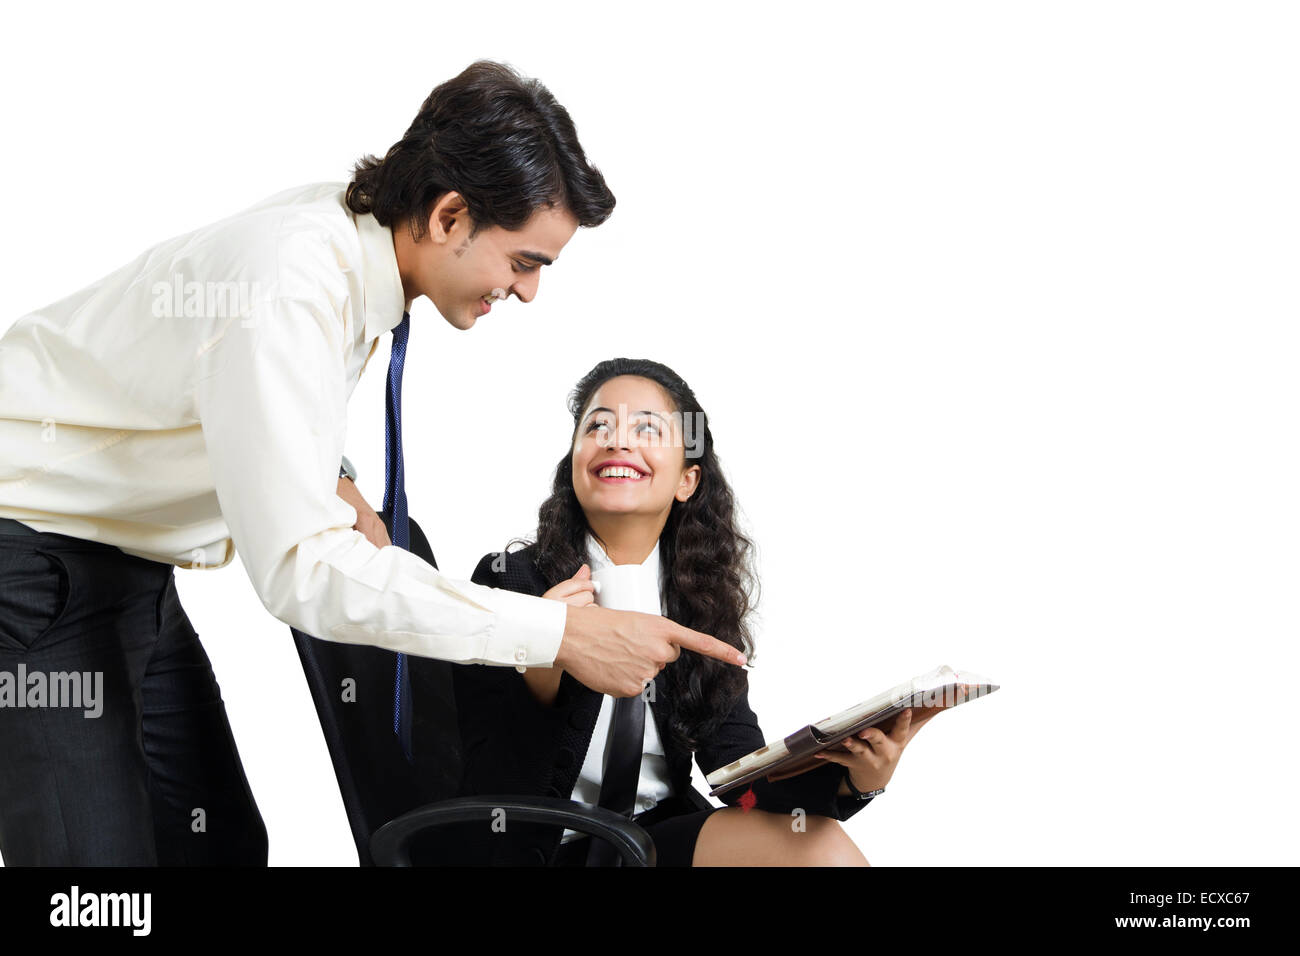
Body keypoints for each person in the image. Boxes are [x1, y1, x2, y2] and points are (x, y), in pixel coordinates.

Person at [0, 62, 742, 866]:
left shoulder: (345, 248)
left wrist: (336, 471)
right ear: (451, 214)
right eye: (525, 261)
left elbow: (255, 385)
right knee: (91, 883)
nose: (527, 293)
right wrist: (558, 633)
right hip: (31, 557)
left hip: (130, 568)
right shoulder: (291, 283)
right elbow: (302, 571)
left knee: (216, 846)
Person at [452, 358, 938, 866]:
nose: (618, 441)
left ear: (687, 479)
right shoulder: (511, 580)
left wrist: (857, 782)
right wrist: (547, 644)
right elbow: (489, 776)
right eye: (598, 425)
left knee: (818, 848)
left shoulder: (698, 599)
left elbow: (744, 785)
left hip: (654, 841)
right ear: (574, 461)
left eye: (647, 428)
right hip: (539, 847)